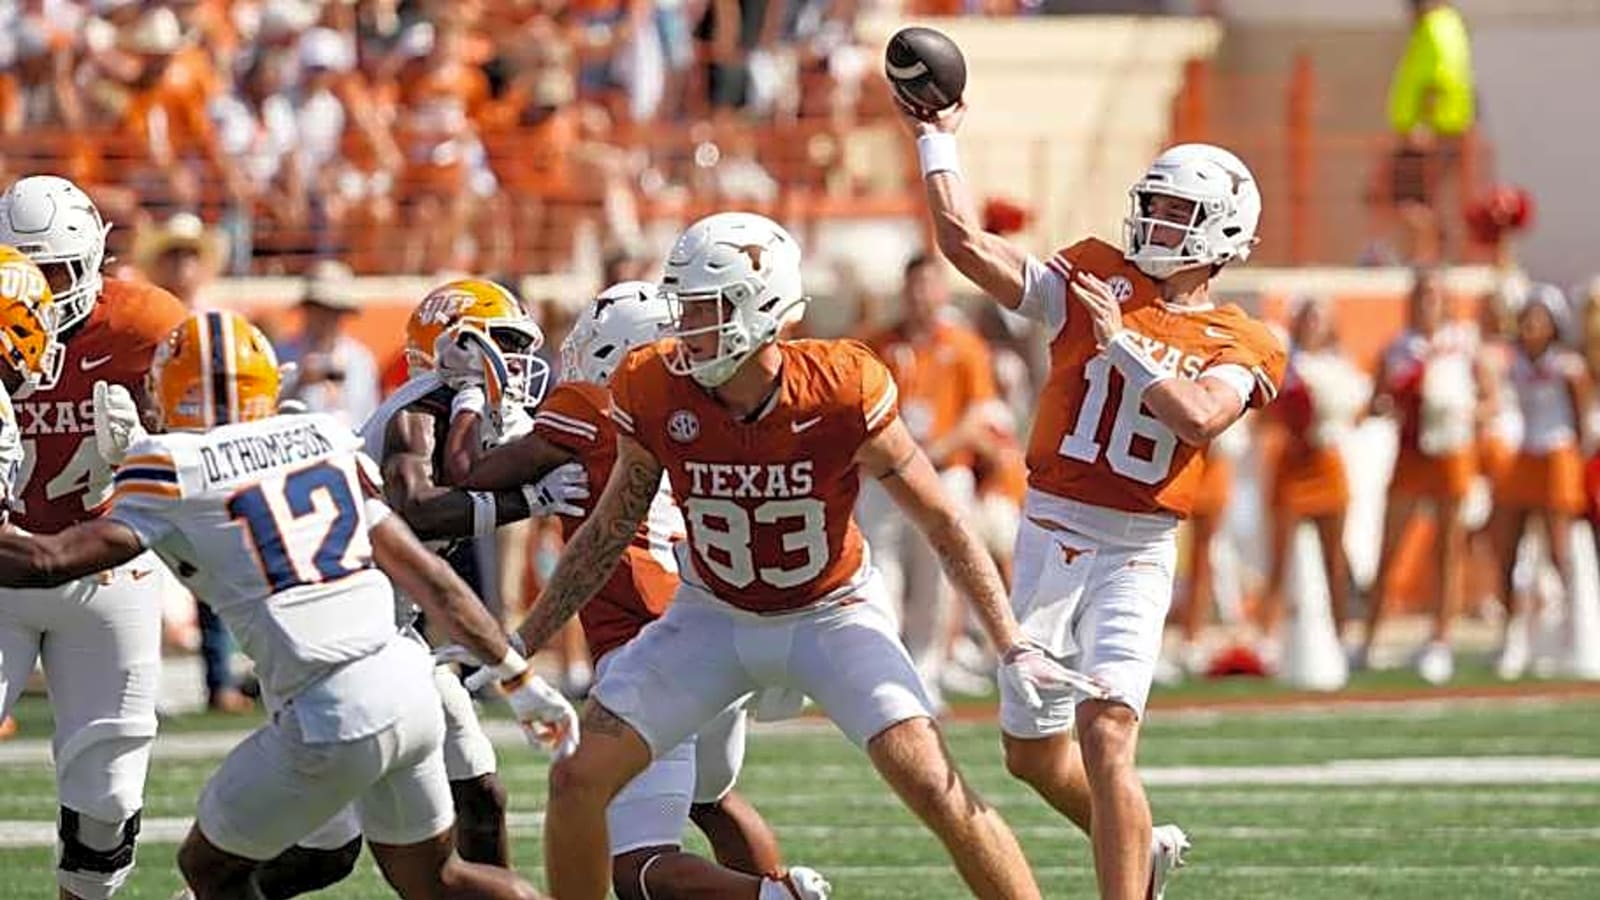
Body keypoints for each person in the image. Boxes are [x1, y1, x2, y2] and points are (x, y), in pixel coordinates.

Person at [514, 212, 1073, 900]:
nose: (684, 328)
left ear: (766, 308)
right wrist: (523, 644)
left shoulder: (841, 387)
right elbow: (605, 531)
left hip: (831, 613)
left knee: (934, 782)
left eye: (705, 309)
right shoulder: (654, 385)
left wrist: (1011, 643)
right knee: (576, 777)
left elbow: (943, 520)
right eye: (683, 306)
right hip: (711, 615)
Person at [0, 310, 572, 900]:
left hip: (329, 708)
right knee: (442, 881)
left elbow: (50, 562)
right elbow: (432, 577)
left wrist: (129, 466)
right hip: (408, 680)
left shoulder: (168, 465)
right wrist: (520, 677)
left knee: (208, 871)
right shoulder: (321, 437)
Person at [899, 94, 1287, 899]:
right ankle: (1141, 851)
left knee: (1108, 737)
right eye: (1157, 205)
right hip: (1049, 530)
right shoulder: (1093, 272)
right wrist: (937, 144)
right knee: (1030, 756)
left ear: (1223, 233)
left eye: (1183, 212)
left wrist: (1124, 344)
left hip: (1137, 551)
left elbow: (1202, 416)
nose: (1160, 223)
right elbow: (966, 247)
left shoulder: (1244, 337)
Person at [409, 280, 828, 900]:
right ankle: (771, 886)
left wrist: (472, 396)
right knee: (710, 799)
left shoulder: (587, 406)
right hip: (722, 631)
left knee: (636, 870)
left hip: (650, 644)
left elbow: (465, 475)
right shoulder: (699, 415)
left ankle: (778, 896)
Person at [0, 174, 188, 900]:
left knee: (106, 804)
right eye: (24, 268)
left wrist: (151, 445)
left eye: (54, 271)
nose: (40, 290)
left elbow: (214, 439)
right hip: (6, 568)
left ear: (92, 263)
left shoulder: (145, 323)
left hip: (107, 570)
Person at [861, 253, 1005, 706]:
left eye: (929, 285)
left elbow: (979, 412)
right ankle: (883, 671)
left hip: (944, 472)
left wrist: (935, 450)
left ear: (942, 291)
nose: (922, 295)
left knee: (938, 579)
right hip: (886, 475)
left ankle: (925, 674)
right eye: (915, 286)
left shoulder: (964, 345)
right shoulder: (880, 344)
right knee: (882, 575)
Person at [131, 210, 248, 714]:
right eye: (173, 254)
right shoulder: (146, 318)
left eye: (188, 255)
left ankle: (222, 677)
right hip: (158, 449)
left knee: (216, 573)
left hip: (210, 451)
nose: (182, 265)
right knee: (138, 570)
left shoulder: (220, 321)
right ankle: (136, 687)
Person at [1357, 269, 1487, 683]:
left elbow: (1489, 398)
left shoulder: (1463, 343)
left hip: (1452, 452)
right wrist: (1397, 397)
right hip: (1411, 455)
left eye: (1434, 294)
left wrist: (1460, 410)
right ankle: (1369, 638)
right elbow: (1375, 403)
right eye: (1421, 294)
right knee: (1390, 545)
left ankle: (1440, 640)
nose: (1428, 302)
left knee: (1448, 548)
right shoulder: (1397, 347)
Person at [1485, 286, 1593, 678]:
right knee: (1509, 549)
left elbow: (1582, 424)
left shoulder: (1568, 368)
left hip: (1557, 455)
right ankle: (1513, 637)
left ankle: (1569, 632)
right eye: (1527, 317)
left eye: (1539, 318)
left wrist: (1576, 463)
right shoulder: (1512, 364)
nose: (1530, 325)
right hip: (1523, 455)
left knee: (1559, 550)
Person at [1260, 297, 1368, 657]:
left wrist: (1327, 418)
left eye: (1318, 319)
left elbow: (1358, 413)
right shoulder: (1284, 364)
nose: (1312, 326)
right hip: (1292, 462)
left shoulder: (1341, 364)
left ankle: (1343, 636)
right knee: (1278, 557)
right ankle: (1267, 637)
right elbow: (1266, 415)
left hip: (1327, 461)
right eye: (1306, 319)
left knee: (1335, 557)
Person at [1386, 0, 1476, 263]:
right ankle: (1429, 253)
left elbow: (1437, 77)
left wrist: (1424, 124)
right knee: (1426, 198)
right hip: (1443, 129)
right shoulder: (1451, 23)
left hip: (1430, 132)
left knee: (1410, 199)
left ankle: (1425, 256)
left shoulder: (1434, 26)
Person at [279, 260, 380, 430]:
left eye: (334, 310)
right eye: (319, 308)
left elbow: (370, 418)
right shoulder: (284, 355)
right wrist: (299, 383)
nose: (326, 318)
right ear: (307, 309)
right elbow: (268, 416)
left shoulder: (360, 359)